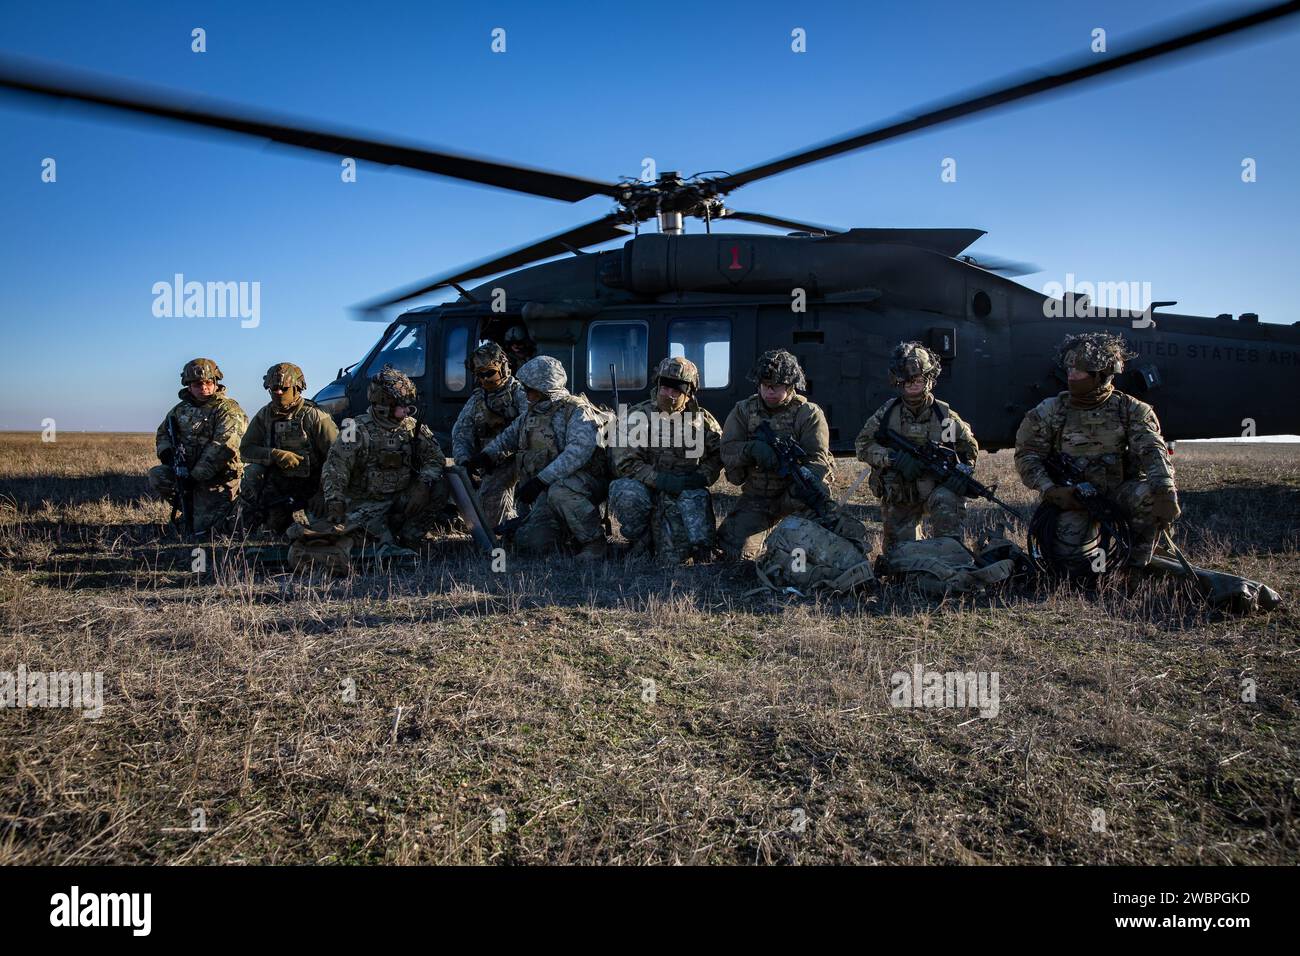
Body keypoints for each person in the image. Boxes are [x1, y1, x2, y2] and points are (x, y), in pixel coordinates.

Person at [1014, 332, 1180, 568]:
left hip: (1120, 491)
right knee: (1067, 564)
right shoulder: (1050, 411)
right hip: (1074, 498)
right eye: (1069, 369)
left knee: (1149, 498)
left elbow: (1152, 451)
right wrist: (1051, 490)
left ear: (1101, 375)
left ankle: (1136, 567)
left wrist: (1165, 492)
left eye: (1079, 371)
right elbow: (1027, 455)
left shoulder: (1132, 410)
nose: (1071, 375)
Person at [718, 350, 861, 558]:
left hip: (797, 496)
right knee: (732, 551)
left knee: (814, 551)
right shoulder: (744, 411)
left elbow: (818, 460)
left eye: (776, 386)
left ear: (790, 385)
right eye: (765, 385)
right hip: (759, 496)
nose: (769, 391)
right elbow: (727, 449)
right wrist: (752, 450)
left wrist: (799, 488)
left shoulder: (808, 413)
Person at [466, 355, 609, 560]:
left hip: (579, 486)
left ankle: (594, 543)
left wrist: (541, 481)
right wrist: (484, 457)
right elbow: (507, 438)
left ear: (545, 389)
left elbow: (577, 453)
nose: (526, 394)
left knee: (559, 492)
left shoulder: (577, 411)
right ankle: (565, 534)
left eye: (530, 389)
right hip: (544, 492)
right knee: (531, 544)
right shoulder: (531, 414)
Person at [855, 341, 979, 552]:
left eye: (918, 380)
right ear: (898, 382)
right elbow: (863, 445)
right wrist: (892, 458)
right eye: (907, 381)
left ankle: (951, 558)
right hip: (901, 493)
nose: (913, 385)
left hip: (937, 488)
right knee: (900, 556)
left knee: (949, 520)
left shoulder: (944, 416)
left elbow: (968, 446)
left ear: (929, 380)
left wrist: (962, 469)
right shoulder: (887, 414)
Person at [319, 364, 448, 557]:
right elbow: (335, 468)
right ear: (383, 404)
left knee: (440, 486)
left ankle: (411, 537)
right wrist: (334, 500)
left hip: (400, 499)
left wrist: (423, 483)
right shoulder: (356, 430)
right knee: (380, 550)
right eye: (401, 405)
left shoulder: (412, 427)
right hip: (364, 505)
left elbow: (435, 458)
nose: (407, 410)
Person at [608, 356, 723, 563]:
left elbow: (719, 454)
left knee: (671, 558)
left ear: (689, 393)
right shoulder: (637, 416)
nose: (669, 394)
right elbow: (625, 463)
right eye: (665, 387)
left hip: (681, 494)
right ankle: (639, 541)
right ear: (658, 385)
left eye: (676, 390)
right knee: (625, 490)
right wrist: (661, 481)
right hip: (646, 489)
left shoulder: (703, 421)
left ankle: (700, 549)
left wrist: (700, 477)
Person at [149, 357, 247, 535]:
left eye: (208, 383)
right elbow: (163, 433)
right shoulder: (180, 409)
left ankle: (227, 512)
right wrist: (169, 456)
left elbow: (224, 445)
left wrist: (194, 476)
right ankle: (194, 508)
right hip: (187, 474)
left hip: (218, 479)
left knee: (204, 531)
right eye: (197, 384)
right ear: (189, 386)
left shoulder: (228, 410)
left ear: (216, 383)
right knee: (158, 475)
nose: (204, 388)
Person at [238, 362, 339, 534]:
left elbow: (337, 457)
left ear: (296, 388)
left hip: (314, 486)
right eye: (273, 388)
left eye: (283, 388)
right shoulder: (265, 415)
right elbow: (246, 449)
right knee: (253, 474)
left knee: (323, 531)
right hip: (280, 486)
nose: (278, 392)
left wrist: (323, 493)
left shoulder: (314, 415)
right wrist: (274, 454)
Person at [451, 342, 527, 527]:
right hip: (492, 464)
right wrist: (465, 462)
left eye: (490, 372)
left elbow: (525, 425)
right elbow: (461, 432)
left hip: (520, 458)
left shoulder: (520, 392)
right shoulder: (478, 399)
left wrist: (492, 453)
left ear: (503, 368)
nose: (485, 379)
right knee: (489, 518)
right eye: (480, 375)